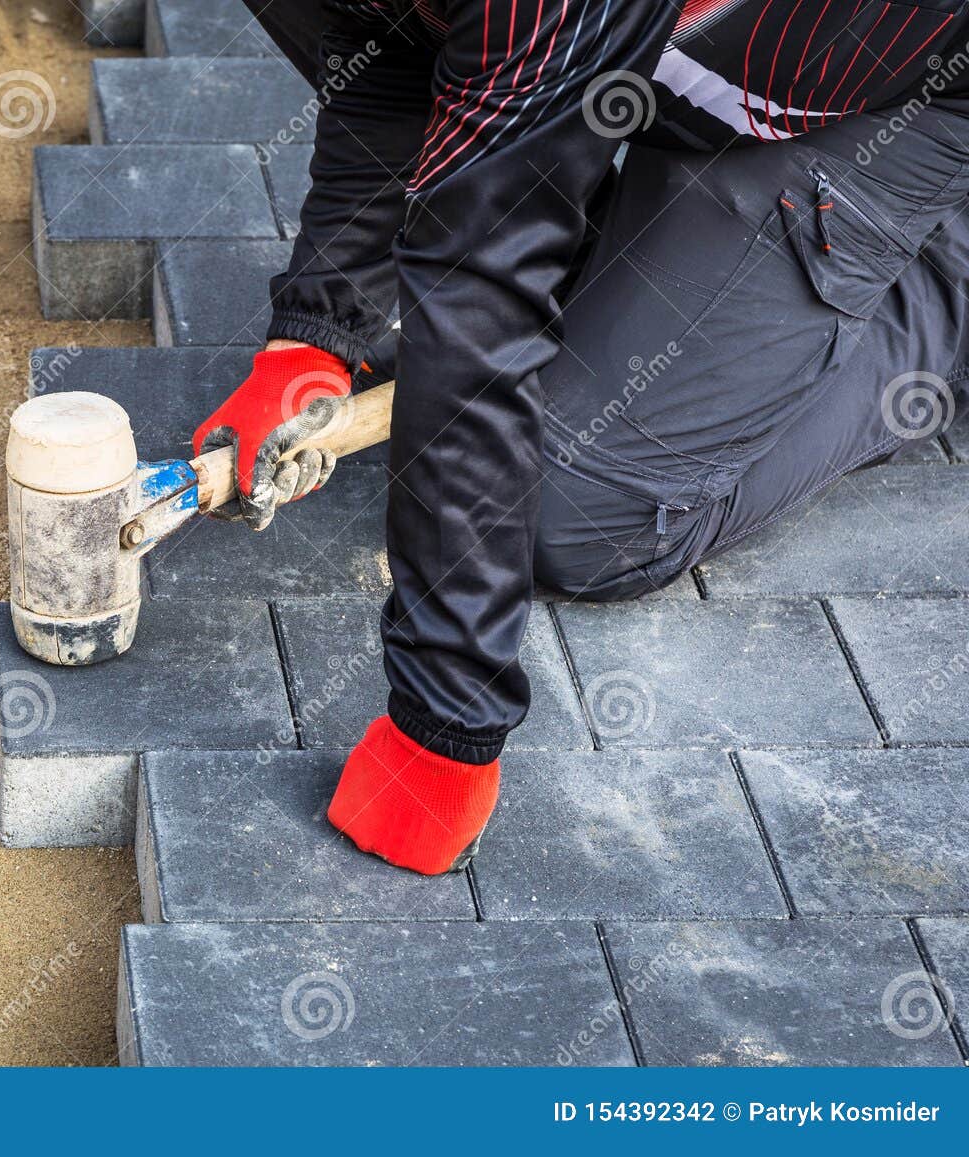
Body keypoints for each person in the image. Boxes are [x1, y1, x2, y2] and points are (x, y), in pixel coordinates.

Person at [194, 0, 969, 874]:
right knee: (529, 226)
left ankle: (941, 289)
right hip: (658, 63)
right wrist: (314, 336)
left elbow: (476, 282)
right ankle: (587, 179)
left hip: (889, 91)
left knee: (576, 516)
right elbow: (390, 49)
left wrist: (446, 725)